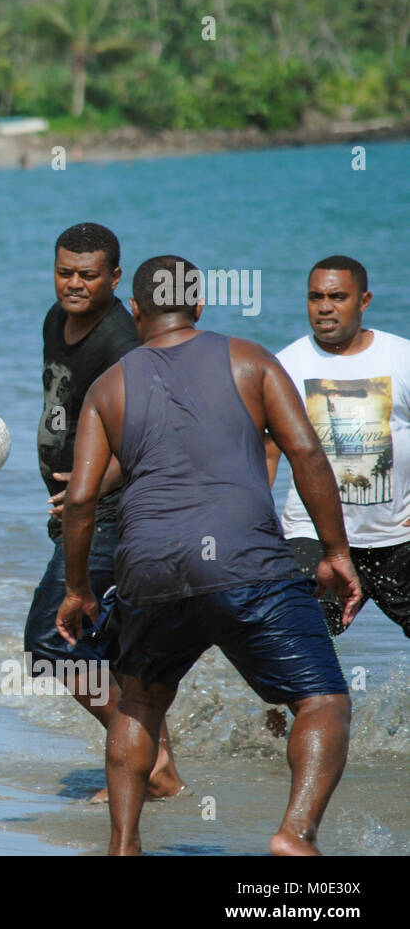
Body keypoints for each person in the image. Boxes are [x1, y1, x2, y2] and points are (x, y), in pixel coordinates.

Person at [57, 254, 361, 856]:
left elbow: (82, 499)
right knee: (321, 699)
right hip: (248, 564)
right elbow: (305, 454)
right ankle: (295, 835)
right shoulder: (250, 359)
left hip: (149, 571)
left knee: (140, 701)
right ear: (199, 306)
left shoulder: (107, 385)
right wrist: (335, 551)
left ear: (135, 309)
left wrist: (77, 590)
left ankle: (124, 845)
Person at [27, 222, 181, 801]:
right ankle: (151, 763)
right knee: (109, 647)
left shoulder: (124, 342)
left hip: (111, 511)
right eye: (64, 271)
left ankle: (152, 762)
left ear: (115, 279)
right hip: (78, 512)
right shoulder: (54, 318)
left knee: (50, 641)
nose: (74, 284)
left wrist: (90, 488)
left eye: (88, 276)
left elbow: (142, 431)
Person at [266, 256, 410, 639]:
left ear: (364, 301)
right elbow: (265, 449)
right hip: (313, 536)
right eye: (315, 297)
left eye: (337, 297)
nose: (325, 307)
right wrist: (254, 520)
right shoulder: (286, 365)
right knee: (292, 639)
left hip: (396, 537)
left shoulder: (401, 358)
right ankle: (290, 701)